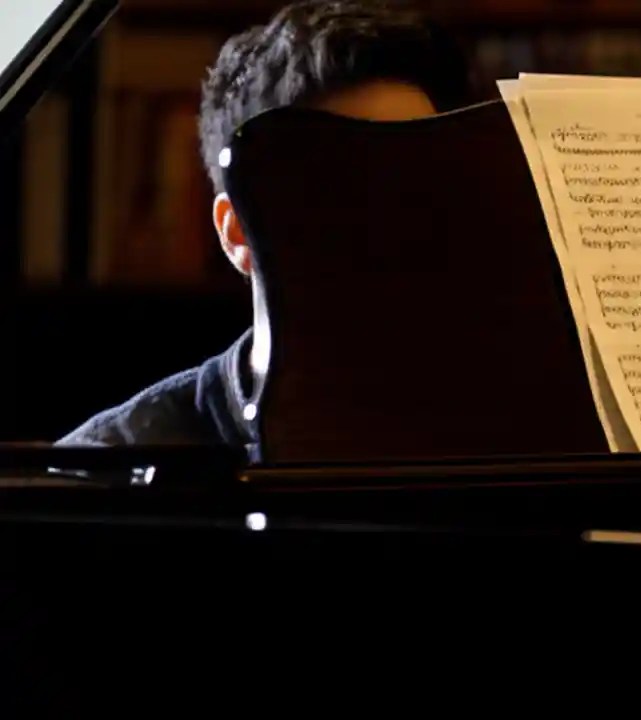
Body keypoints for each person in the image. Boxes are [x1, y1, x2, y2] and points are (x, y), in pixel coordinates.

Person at [57, 0, 471, 454]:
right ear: (237, 232)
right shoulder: (109, 468)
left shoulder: (510, 437)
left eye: (421, 179)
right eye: (347, 186)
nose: (399, 220)